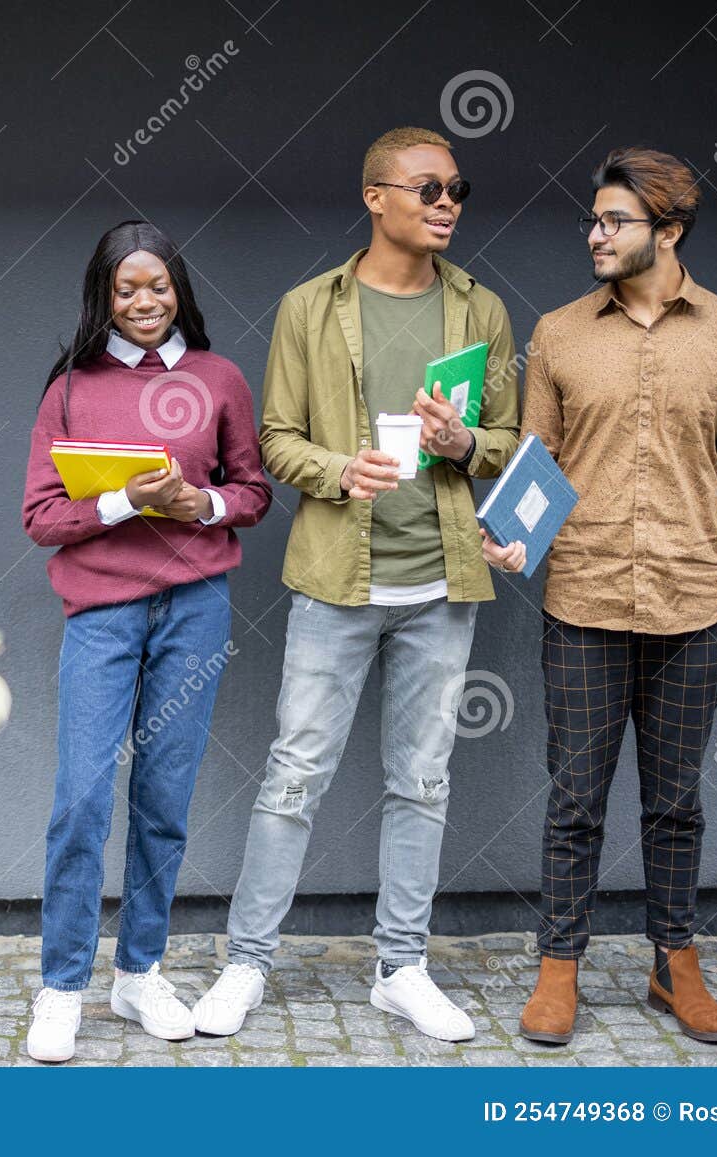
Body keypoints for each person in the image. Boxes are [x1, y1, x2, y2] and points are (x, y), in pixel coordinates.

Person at [193, 127, 519, 1042]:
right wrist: (341, 471)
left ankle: (401, 966)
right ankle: (246, 964)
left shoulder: (481, 310)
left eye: (458, 188)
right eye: (427, 187)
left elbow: (508, 441)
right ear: (375, 196)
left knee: (423, 780)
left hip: (441, 584)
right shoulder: (310, 306)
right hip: (337, 581)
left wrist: (465, 445)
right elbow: (275, 440)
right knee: (295, 773)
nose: (447, 202)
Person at [491, 147, 717, 1046]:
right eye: (592, 218)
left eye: (613, 220)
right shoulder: (556, 332)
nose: (594, 232)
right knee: (574, 800)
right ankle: (560, 969)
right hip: (580, 602)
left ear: (666, 231)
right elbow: (534, 463)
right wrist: (515, 536)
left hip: (691, 607)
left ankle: (675, 965)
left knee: (675, 803)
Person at [20, 219, 271, 1062]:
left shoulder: (219, 377)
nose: (143, 301)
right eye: (126, 288)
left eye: (157, 285)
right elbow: (41, 518)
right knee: (83, 798)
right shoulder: (69, 388)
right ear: (103, 295)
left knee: (165, 799)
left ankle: (139, 971)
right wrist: (131, 499)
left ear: (179, 290)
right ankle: (61, 986)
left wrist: (203, 505)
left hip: (195, 608)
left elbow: (254, 490)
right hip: (102, 613)